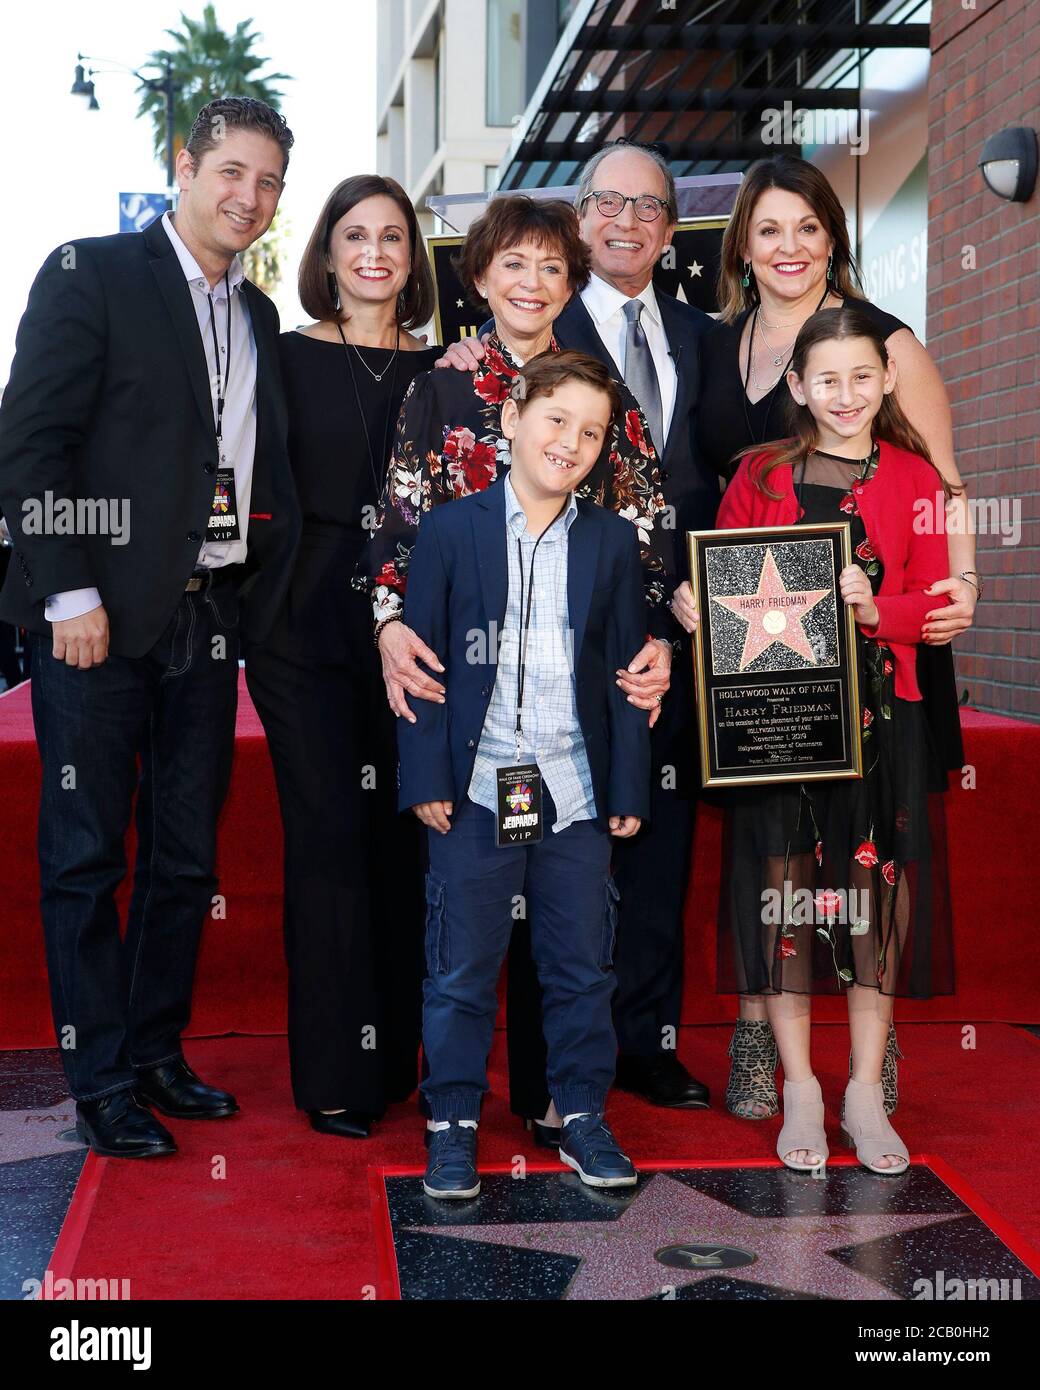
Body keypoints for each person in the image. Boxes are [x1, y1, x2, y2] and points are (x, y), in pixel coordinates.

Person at [0, 98, 300, 1159]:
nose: (246, 198)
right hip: (97, 624)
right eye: (228, 171)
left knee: (185, 858)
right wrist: (67, 592)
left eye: (265, 182)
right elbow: (28, 444)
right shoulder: (93, 273)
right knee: (85, 858)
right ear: (182, 165)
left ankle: (157, 1049)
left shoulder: (255, 316)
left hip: (208, 621)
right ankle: (101, 1079)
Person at [357, 192, 673, 1141]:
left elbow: (649, 537)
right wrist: (386, 629)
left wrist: (658, 640)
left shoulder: (599, 387)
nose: (533, 283)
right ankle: (454, 1111)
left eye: (552, 267)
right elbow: (398, 527)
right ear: (482, 277)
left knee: (575, 929)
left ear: (570, 281)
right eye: (514, 265)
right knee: (470, 924)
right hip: (470, 702)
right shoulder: (441, 387)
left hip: (574, 700)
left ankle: (562, 1103)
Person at [676, 153, 975, 1122]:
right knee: (775, 871)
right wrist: (693, 606)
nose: (787, 245)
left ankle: (864, 1078)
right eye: (767, 228)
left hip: (882, 678)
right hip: (766, 682)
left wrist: (955, 583)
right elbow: (713, 529)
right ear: (742, 246)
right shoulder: (721, 359)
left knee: (868, 872)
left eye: (805, 226)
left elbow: (944, 488)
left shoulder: (889, 351)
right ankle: (782, 1059)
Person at [433, 140, 720, 1112]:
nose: (624, 222)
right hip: (496, 693)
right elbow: (409, 532)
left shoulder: (657, 357)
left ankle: (606, 1069)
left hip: (613, 672)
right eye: (605, 203)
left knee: (612, 876)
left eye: (647, 207)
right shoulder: (477, 366)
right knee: (506, 889)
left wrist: (665, 636)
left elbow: (657, 518)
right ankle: (506, 1094)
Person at [399, 352, 649, 1197]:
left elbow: (624, 676)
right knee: (462, 968)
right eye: (555, 420)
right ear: (510, 420)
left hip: (573, 788)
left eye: (590, 432)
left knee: (581, 965)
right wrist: (425, 776)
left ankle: (580, 1114)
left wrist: (627, 790)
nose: (569, 442)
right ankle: (453, 1123)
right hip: (475, 790)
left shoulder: (613, 542)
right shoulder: (449, 531)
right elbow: (424, 670)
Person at [715, 305, 955, 1174]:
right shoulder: (760, 476)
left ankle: (861, 1090)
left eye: (863, 376)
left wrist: (874, 609)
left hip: (885, 719)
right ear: (797, 386)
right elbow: (723, 591)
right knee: (784, 901)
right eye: (827, 379)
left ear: (888, 380)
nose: (846, 394)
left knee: (870, 904)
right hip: (782, 726)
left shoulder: (918, 480)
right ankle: (800, 1089)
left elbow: (937, 601)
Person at [242, 176, 442, 1137]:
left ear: (413, 257)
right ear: (326, 255)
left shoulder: (450, 372)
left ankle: (393, 1058)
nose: (373, 253)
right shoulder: (279, 358)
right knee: (328, 839)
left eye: (392, 237)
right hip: (304, 625)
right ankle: (334, 1074)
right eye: (354, 236)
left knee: (404, 840)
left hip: (424, 629)